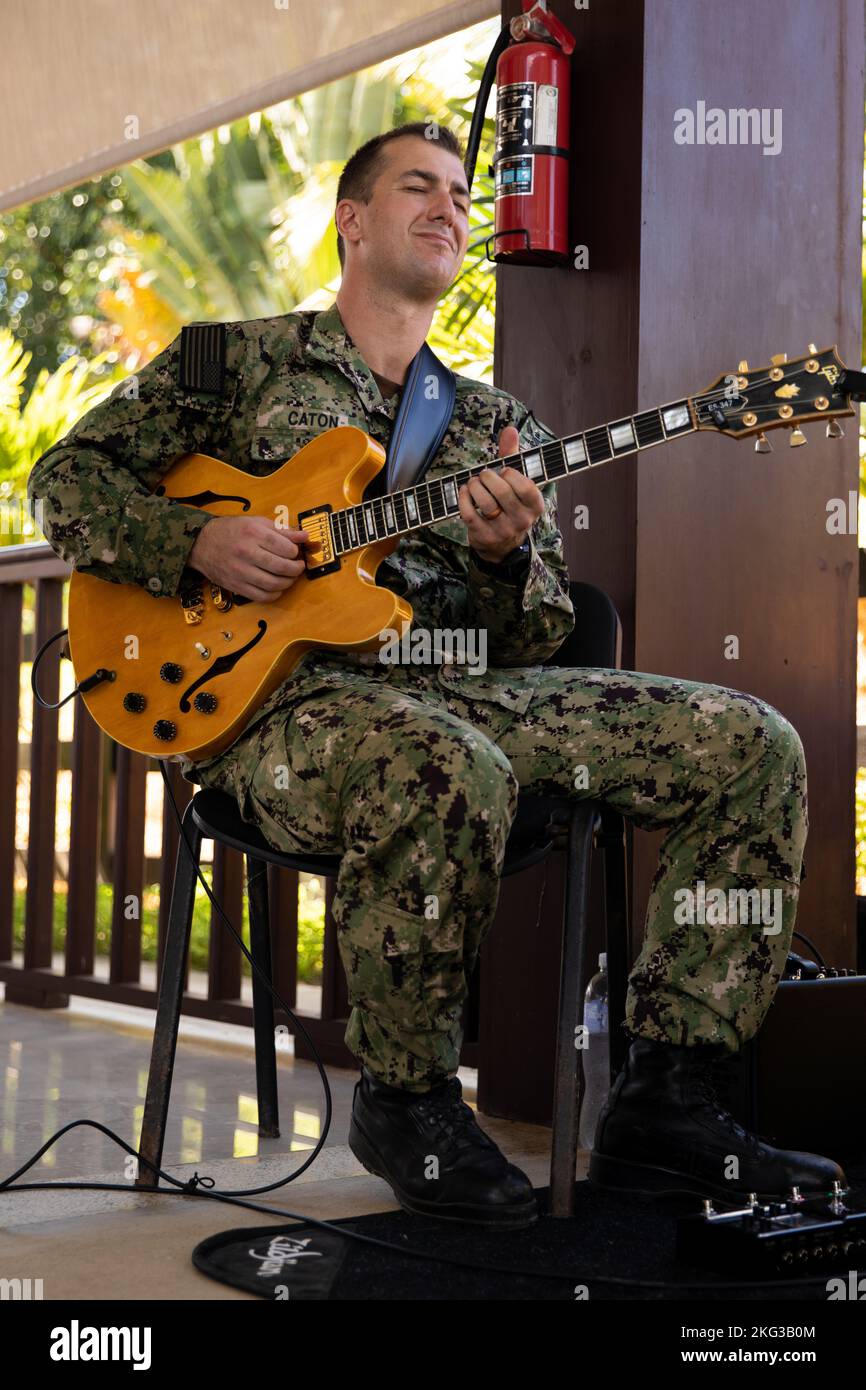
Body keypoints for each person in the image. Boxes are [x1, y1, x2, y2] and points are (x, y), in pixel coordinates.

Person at [29, 120, 845, 1229]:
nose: (449, 205)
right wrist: (197, 545)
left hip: (458, 684)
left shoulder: (494, 423)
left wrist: (509, 560)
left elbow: (533, 639)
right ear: (351, 220)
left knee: (753, 743)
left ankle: (669, 1096)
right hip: (283, 708)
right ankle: (407, 1099)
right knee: (440, 761)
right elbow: (64, 480)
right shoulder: (230, 356)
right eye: (418, 185)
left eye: (463, 193)